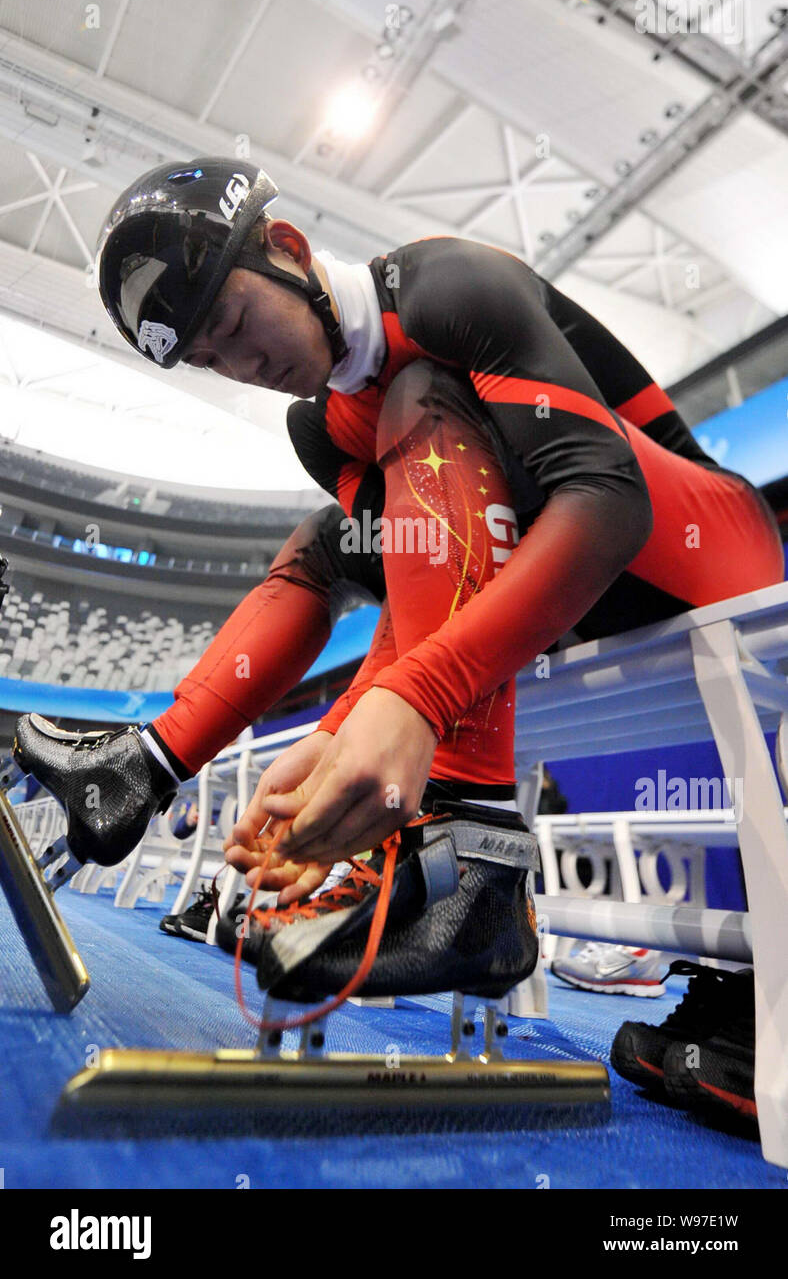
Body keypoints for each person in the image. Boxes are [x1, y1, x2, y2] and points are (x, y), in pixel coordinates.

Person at [8, 157, 782, 1005]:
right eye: (206, 359)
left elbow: (608, 501)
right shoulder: (318, 429)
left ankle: (476, 852)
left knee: (422, 393)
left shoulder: (448, 284)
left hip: (704, 547)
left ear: (289, 249)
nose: (238, 366)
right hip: (558, 583)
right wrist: (340, 737)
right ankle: (145, 764)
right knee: (327, 538)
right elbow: (432, 571)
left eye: (230, 321)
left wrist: (411, 700)